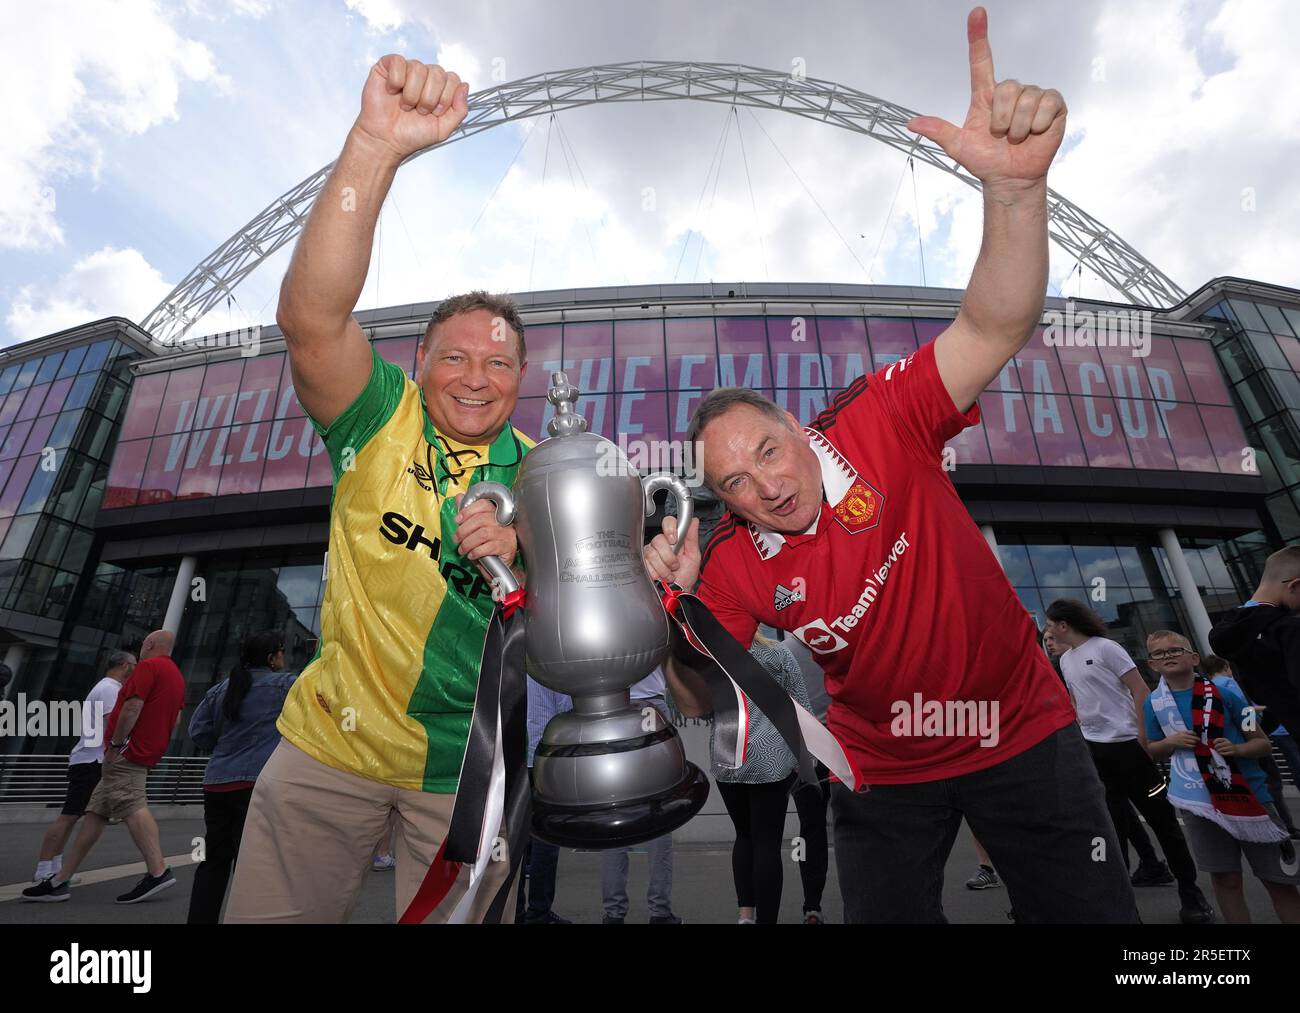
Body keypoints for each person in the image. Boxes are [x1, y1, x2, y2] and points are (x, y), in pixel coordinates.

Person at [645, 8, 1136, 924]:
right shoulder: (737, 559)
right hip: (880, 767)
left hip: (1021, 731)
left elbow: (992, 325)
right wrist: (670, 613)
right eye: (736, 485)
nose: (767, 485)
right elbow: (699, 691)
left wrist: (1017, 193)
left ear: (797, 426)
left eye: (767, 450)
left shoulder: (879, 417)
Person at [222, 54, 530, 924]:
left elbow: (574, 627)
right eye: (457, 357)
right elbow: (310, 318)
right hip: (327, 747)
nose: (477, 377)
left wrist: (529, 560)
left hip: (467, 773)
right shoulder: (377, 417)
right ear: (418, 362)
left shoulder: (545, 469)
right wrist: (374, 148)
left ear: (522, 379)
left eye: (499, 361)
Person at [1045, 600, 1214, 924]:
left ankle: (1191, 893)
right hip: (1096, 753)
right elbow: (1077, 699)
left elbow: (1139, 690)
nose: (1049, 632)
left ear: (1064, 624)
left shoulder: (1107, 648)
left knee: (1163, 822)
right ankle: (1121, 907)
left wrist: (1143, 736)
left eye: (1051, 625)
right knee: (1111, 829)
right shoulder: (1066, 660)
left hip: (1130, 750)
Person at [1143, 630, 1300, 924]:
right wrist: (1171, 742)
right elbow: (1152, 750)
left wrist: (1238, 749)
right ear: (1151, 665)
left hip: (1251, 798)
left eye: (1175, 650)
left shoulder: (1228, 695)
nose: (1168, 656)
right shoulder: (1152, 704)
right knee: (1225, 879)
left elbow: (1263, 742)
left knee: (1279, 881)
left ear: (1193, 658)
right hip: (1198, 803)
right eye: (1159, 654)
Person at [23, 630, 186, 904]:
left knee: (132, 804)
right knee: (95, 813)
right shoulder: (177, 677)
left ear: (149, 644)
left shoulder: (149, 667)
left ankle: (158, 871)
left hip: (125, 753)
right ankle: (60, 879)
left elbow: (131, 708)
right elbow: (177, 719)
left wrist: (116, 744)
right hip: (143, 752)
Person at [186, 632, 297, 923]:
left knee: (214, 861)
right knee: (253, 862)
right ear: (273, 657)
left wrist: (224, 750)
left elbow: (198, 731)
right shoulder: (285, 685)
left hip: (217, 781)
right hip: (257, 784)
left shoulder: (221, 689)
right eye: (281, 652)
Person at [709, 633, 811, 924]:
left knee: (744, 836)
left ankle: (745, 916)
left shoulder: (712, 654)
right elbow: (802, 706)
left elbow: (704, 709)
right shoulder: (778, 654)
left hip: (728, 756)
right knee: (767, 844)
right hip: (772, 759)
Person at [31, 651, 134, 884]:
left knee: (74, 814)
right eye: (134, 665)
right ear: (125, 665)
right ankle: (45, 867)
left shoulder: (103, 687)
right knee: (69, 815)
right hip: (92, 760)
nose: (136, 670)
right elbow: (113, 722)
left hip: (89, 758)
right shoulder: (110, 689)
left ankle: (54, 867)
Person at [602, 666, 683, 924]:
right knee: (660, 815)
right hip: (652, 708)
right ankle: (660, 912)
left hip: (612, 708)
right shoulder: (659, 622)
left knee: (614, 812)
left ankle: (613, 913)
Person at [1201, 654, 1299, 840]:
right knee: (1271, 786)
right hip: (1247, 744)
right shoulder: (1229, 685)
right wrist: (1253, 733)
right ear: (1226, 667)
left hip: (1221, 750)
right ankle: (1285, 828)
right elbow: (1245, 711)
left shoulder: (1205, 690)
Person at [1209, 544, 1300, 736]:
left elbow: (1249, 699)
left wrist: (1254, 733)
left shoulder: (1234, 636)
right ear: (1295, 585)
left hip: (1275, 728)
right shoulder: (1288, 629)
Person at [515, 675, 573, 924]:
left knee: (514, 842)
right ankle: (539, 912)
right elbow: (566, 710)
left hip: (514, 758)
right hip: (545, 757)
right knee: (546, 840)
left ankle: (514, 910)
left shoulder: (508, 658)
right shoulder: (548, 665)